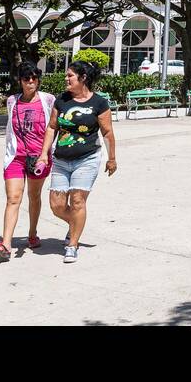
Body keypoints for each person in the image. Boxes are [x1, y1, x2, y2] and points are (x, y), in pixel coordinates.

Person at [37, 60, 116, 264]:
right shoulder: (62, 100)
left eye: (70, 75)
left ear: (83, 78)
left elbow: (107, 133)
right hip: (61, 159)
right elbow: (52, 127)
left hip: (87, 158)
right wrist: (44, 153)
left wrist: (112, 159)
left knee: (78, 201)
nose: (66, 78)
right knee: (56, 205)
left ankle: (72, 244)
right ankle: (75, 224)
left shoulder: (99, 103)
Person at [0, 63, 57, 262]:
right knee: (13, 198)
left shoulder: (48, 100)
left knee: (34, 196)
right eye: (26, 78)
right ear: (20, 80)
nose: (30, 82)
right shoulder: (12, 101)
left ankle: (32, 233)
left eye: (34, 78)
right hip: (16, 157)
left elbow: (53, 126)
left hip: (39, 158)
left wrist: (47, 153)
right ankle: (6, 244)